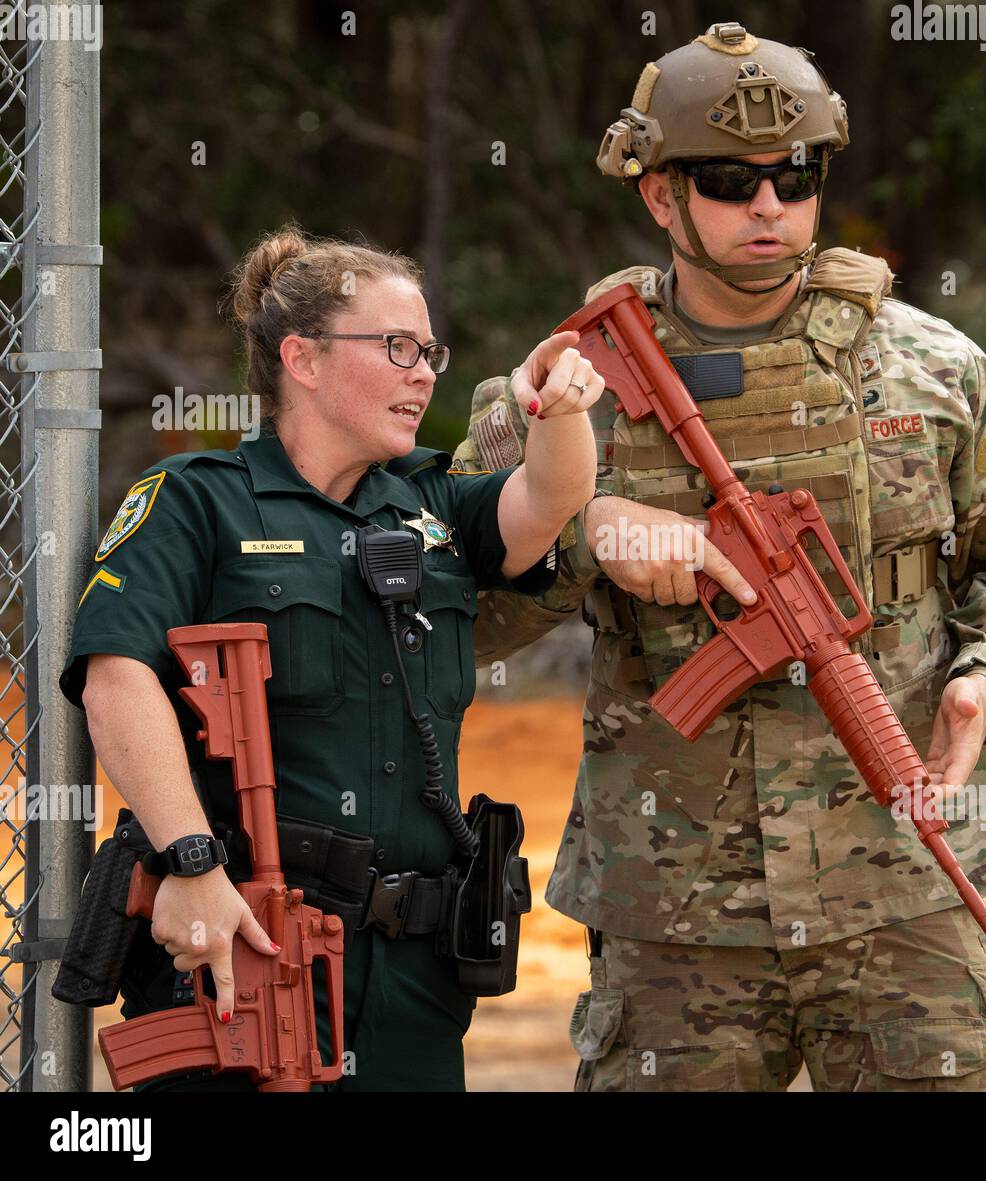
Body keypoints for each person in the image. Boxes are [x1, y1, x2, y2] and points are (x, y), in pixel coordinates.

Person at [454, 23, 986, 1091]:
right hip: (673, 907)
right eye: (727, 178)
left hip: (902, 877)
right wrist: (583, 519)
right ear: (659, 195)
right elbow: (451, 602)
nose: (769, 205)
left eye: (794, 176)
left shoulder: (936, 369)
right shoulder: (567, 388)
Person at [58, 225, 602, 1091]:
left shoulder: (434, 507)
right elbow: (115, 678)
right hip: (243, 950)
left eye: (430, 350)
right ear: (301, 359)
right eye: (396, 347)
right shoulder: (196, 503)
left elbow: (551, 494)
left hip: (413, 980)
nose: (425, 371)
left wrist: (560, 407)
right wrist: (192, 861)